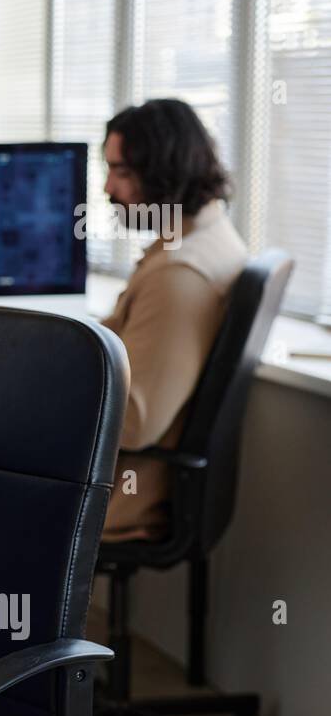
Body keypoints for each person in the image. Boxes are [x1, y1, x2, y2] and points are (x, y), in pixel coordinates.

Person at [99, 99, 247, 542]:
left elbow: (136, 423)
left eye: (122, 172)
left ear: (165, 171)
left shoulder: (180, 275)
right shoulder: (200, 235)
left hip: (121, 497)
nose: (108, 187)